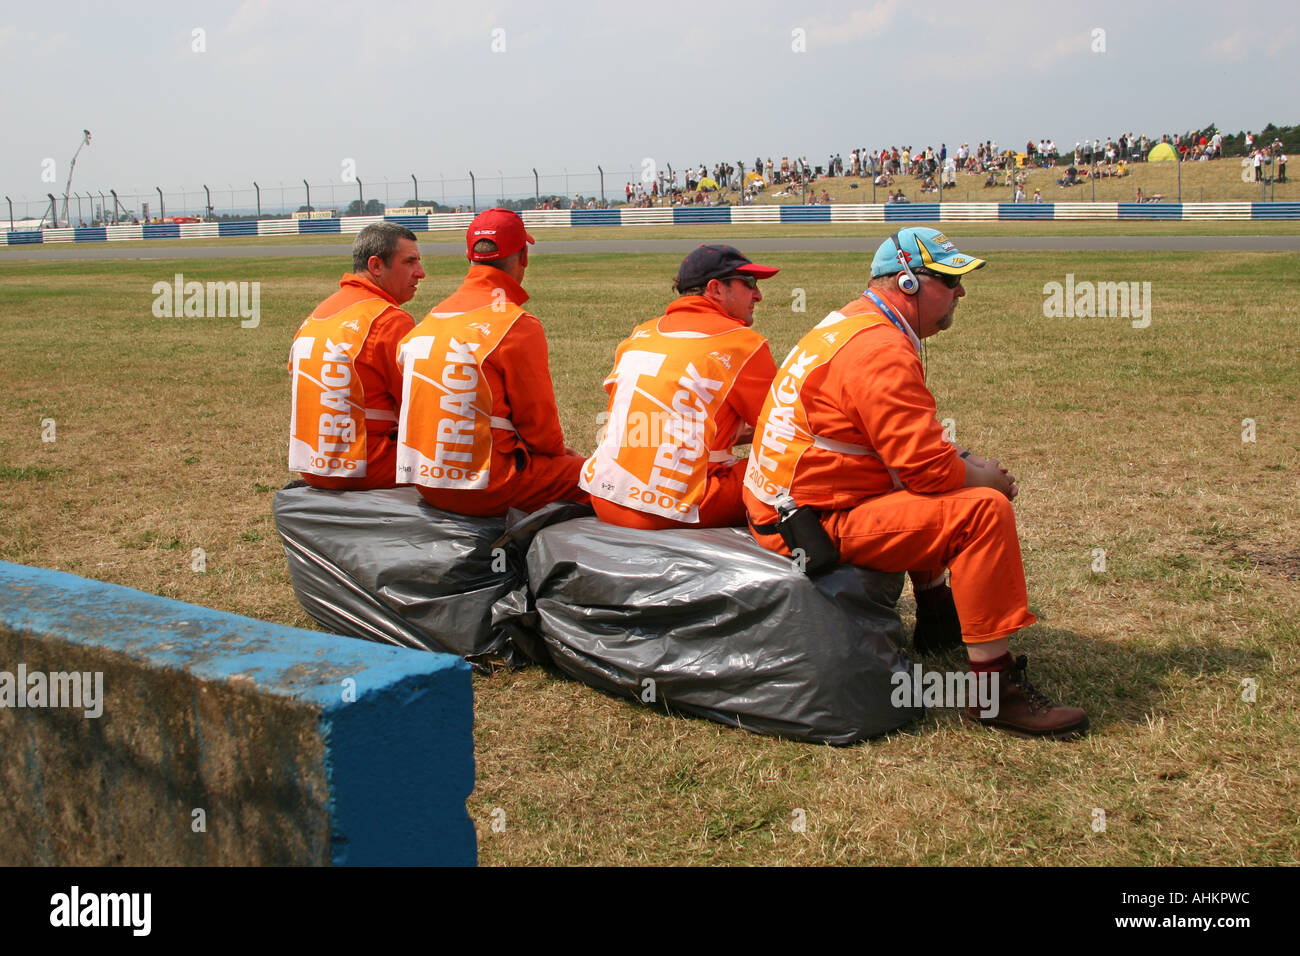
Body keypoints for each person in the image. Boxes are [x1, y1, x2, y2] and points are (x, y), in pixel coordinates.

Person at [742, 227, 1088, 739]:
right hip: (803, 524)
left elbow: (901, 445)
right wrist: (984, 476)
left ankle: (938, 615)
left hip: (793, 503)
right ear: (907, 283)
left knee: (948, 483)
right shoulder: (880, 349)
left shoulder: (852, 324)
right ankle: (995, 695)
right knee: (981, 510)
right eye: (950, 280)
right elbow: (927, 470)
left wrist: (963, 461)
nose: (961, 293)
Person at [395, 208, 587, 517]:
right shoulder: (516, 325)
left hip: (426, 483)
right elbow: (539, 427)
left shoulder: (429, 321)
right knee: (600, 480)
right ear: (523, 256)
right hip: (483, 487)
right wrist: (556, 457)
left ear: (469, 258)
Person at [581, 244, 779, 530]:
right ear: (716, 288)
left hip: (604, 496)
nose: (758, 295)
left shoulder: (641, 333)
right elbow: (784, 429)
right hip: (669, 509)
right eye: (749, 283)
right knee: (796, 470)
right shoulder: (743, 343)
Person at [288, 222, 425, 490]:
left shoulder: (315, 317)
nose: (420, 273)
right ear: (375, 266)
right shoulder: (389, 320)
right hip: (369, 466)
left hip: (313, 467)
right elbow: (422, 407)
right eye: (409, 262)